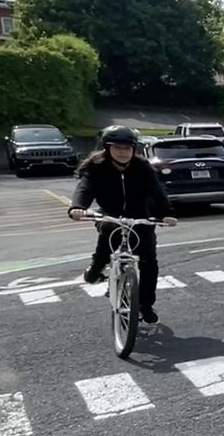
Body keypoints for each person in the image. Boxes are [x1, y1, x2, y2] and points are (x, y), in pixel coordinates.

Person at [67, 125, 171, 324]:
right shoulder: (96, 167)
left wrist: (166, 213)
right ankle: (96, 268)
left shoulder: (143, 167)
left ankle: (146, 305)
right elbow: (84, 188)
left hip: (140, 215)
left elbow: (157, 192)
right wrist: (77, 207)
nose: (123, 152)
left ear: (134, 149)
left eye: (127, 148)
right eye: (117, 148)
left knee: (149, 260)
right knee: (108, 230)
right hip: (110, 214)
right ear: (107, 148)